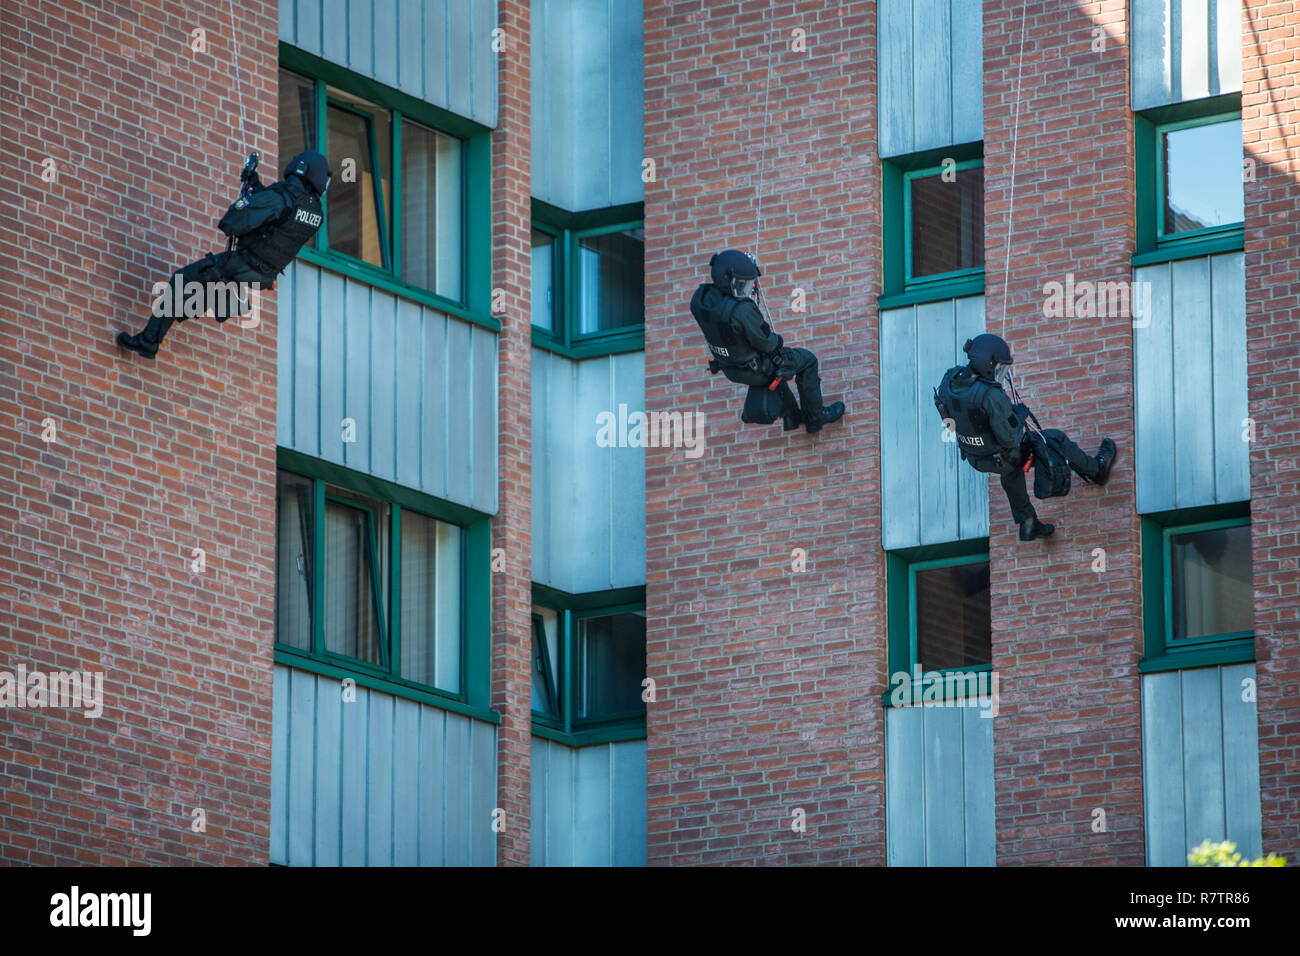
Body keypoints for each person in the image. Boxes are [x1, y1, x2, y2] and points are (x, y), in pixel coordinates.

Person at [116, 150, 331, 360]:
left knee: (182, 280)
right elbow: (275, 211)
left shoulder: (281, 199)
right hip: (264, 275)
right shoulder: (313, 212)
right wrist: (253, 181)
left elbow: (236, 221)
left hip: (243, 263)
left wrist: (239, 206)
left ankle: (148, 342)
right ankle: (212, 299)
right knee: (200, 285)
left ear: (300, 168)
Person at [934, 333, 1118, 541]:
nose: (1001, 373)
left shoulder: (949, 381)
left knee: (1009, 470)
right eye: (999, 368)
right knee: (1053, 439)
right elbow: (1011, 438)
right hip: (1001, 454)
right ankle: (1097, 470)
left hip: (977, 458)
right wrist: (1019, 416)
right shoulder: (991, 396)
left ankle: (1027, 521)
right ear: (988, 363)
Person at [689, 250, 846, 434]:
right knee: (806, 360)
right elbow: (768, 343)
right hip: (756, 369)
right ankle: (815, 418)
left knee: (775, 367)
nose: (745, 290)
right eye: (741, 285)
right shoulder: (741, 310)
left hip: (730, 369)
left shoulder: (700, 299)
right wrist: (778, 339)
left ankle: (792, 416)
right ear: (727, 281)